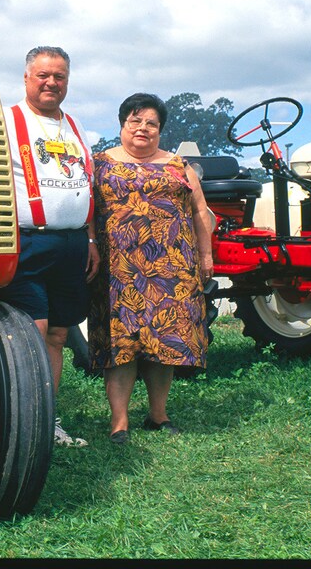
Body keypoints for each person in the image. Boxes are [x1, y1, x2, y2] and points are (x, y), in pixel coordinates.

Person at [87, 92, 213, 445]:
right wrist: (91, 244)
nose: (143, 128)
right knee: (121, 345)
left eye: (151, 123)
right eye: (135, 121)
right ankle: (119, 422)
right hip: (118, 270)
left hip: (171, 266)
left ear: (160, 129)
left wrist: (206, 255)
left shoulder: (178, 165)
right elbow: (85, 213)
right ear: (122, 124)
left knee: (164, 341)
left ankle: (158, 415)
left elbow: (200, 211)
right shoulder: (99, 163)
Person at [0, 46, 100, 447]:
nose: (51, 83)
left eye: (59, 77)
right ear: (26, 78)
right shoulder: (6, 121)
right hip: (28, 241)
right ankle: (22, 420)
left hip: (73, 243)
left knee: (58, 334)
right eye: (43, 75)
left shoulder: (75, 126)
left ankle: (48, 420)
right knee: (32, 332)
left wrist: (90, 238)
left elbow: (85, 186)